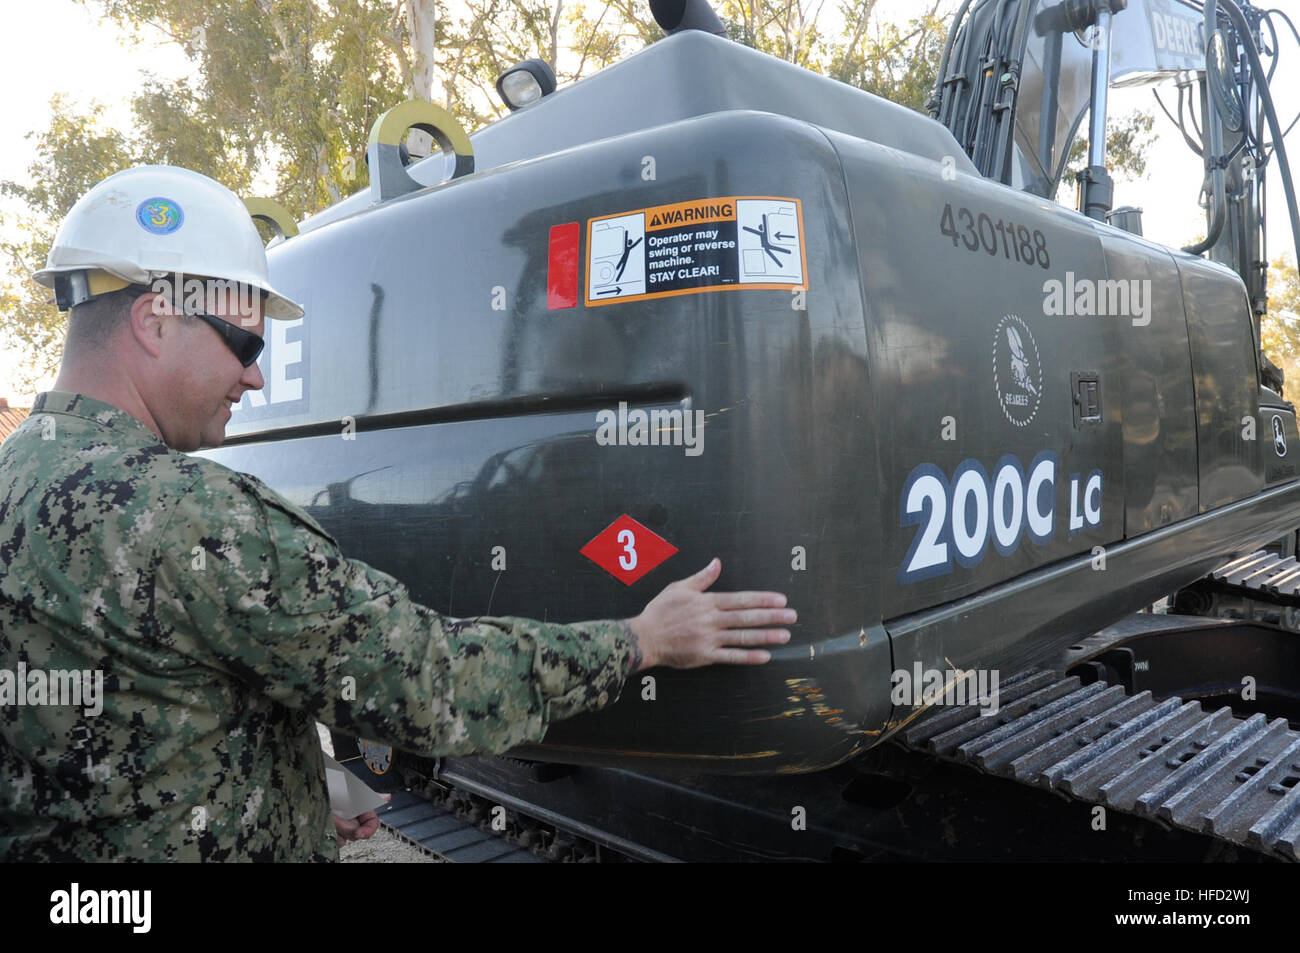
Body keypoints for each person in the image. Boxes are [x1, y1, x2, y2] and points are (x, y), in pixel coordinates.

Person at [0, 166, 796, 861]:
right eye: (245, 344)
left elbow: (118, 724)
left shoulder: (14, 478)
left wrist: (294, 796)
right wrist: (641, 640)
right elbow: (431, 682)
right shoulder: (191, 516)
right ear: (155, 319)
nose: (253, 379)